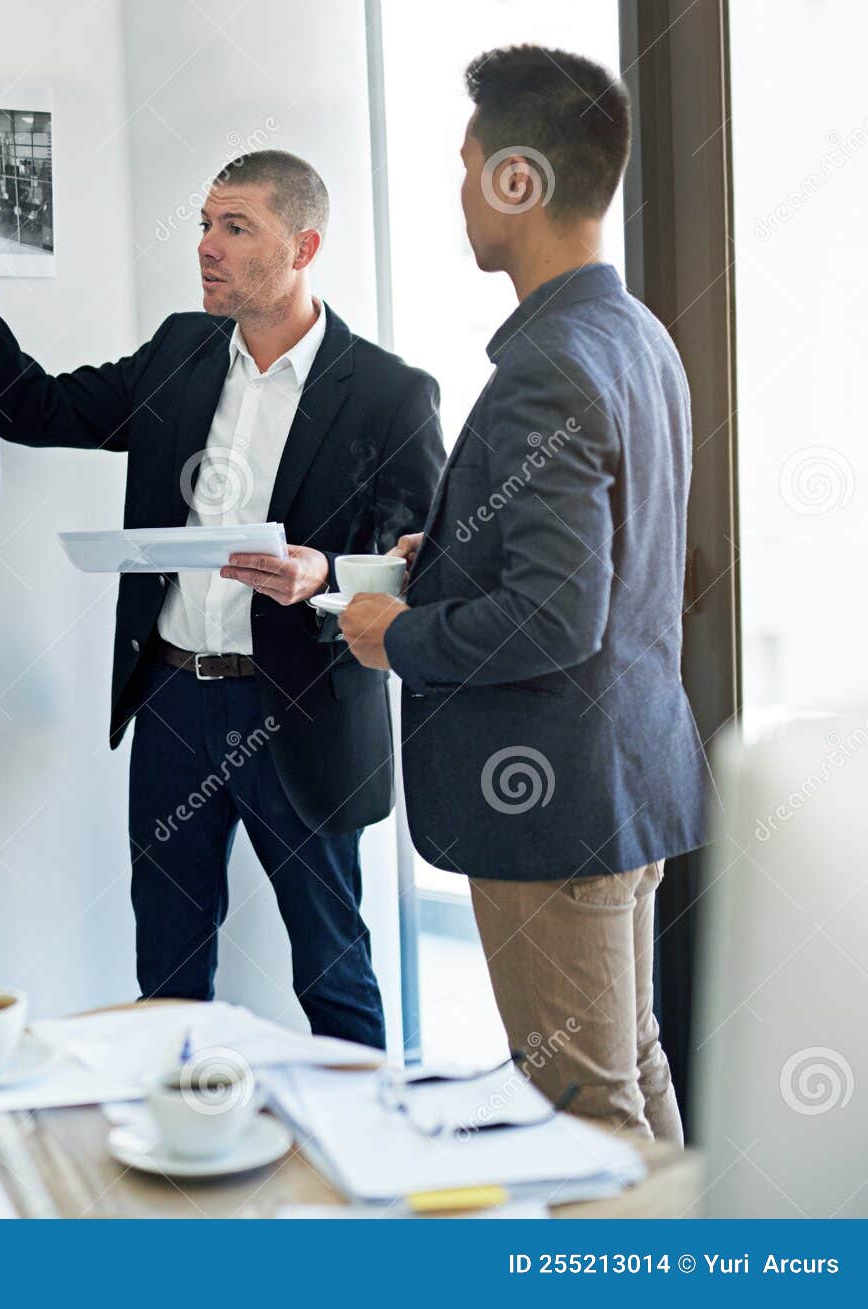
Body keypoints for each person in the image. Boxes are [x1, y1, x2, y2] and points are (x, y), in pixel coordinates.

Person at [0, 152, 444, 1048]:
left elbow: (418, 566)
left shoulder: (389, 393)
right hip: (173, 703)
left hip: (302, 713)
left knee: (334, 975)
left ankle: (359, 1174)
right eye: (204, 223)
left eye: (234, 227)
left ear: (305, 245)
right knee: (167, 979)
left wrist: (322, 572)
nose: (205, 246)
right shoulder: (181, 350)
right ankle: (175, 1168)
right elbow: (33, 408)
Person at [338, 46, 708, 1141]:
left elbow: (555, 617)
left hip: (552, 806)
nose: (458, 192)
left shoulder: (549, 362)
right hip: (621, 780)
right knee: (626, 1073)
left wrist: (397, 633)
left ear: (517, 180)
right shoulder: (632, 335)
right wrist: (447, 552)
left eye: (466, 166)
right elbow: (606, 564)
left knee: (584, 1112)